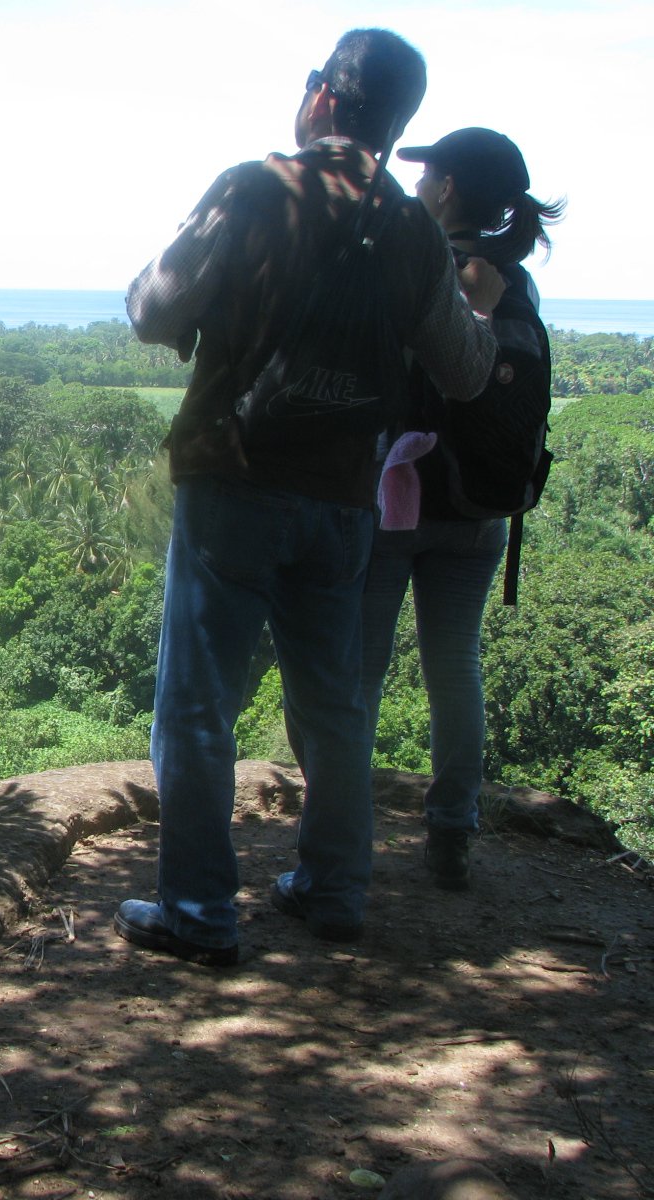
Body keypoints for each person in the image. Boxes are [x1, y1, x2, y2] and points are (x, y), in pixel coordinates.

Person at [117, 28, 505, 966]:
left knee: (200, 705)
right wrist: (481, 305)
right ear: (397, 119)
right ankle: (334, 889)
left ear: (324, 98)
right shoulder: (412, 229)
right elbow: (463, 369)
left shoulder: (257, 188)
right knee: (336, 707)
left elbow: (152, 311)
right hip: (344, 500)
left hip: (235, 481)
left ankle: (202, 911)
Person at [360, 128, 563, 891]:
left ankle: (344, 830)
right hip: (481, 512)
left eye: (427, 176)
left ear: (446, 190)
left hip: (397, 505)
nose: (417, 187)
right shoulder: (515, 280)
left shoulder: (423, 265)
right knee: (455, 670)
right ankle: (451, 833)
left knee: (361, 672)